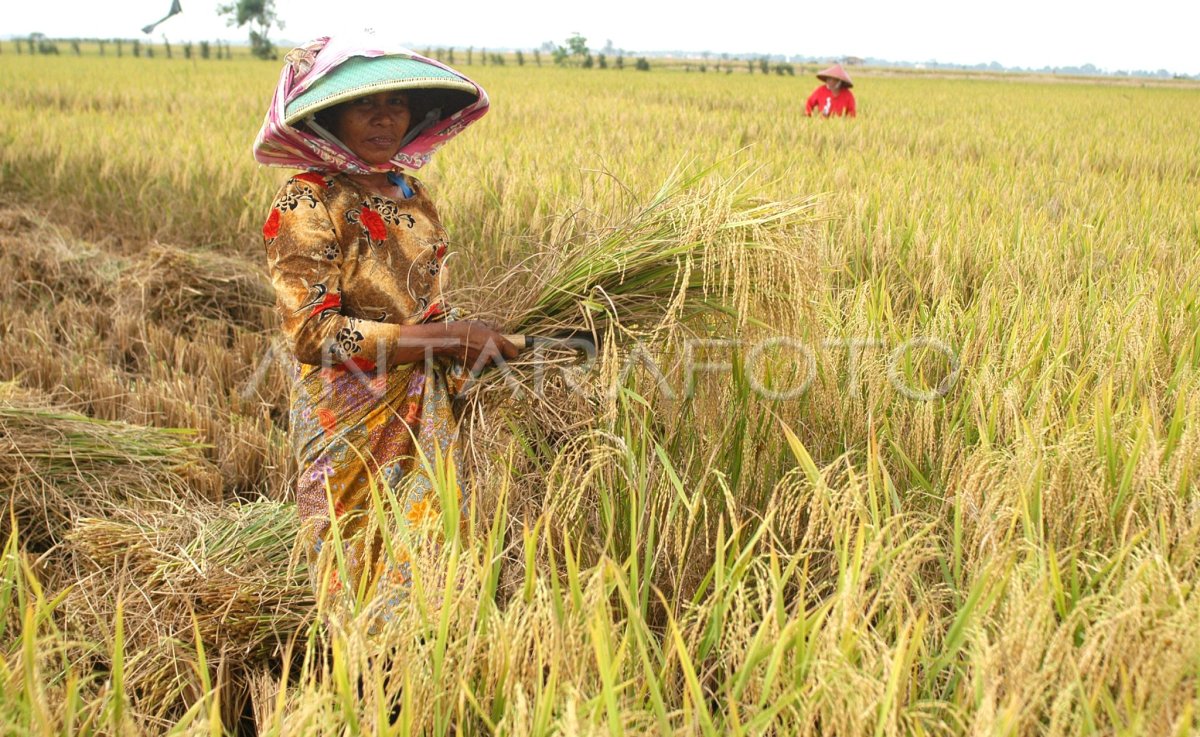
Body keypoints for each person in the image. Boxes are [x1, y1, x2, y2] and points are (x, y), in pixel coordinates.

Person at [252, 32, 518, 620]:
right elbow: (314, 336)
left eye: (396, 104)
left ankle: (431, 675)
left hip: (424, 398)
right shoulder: (305, 202)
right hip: (349, 410)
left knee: (434, 549)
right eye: (364, 104)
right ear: (328, 115)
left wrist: (469, 342)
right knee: (355, 559)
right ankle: (357, 686)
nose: (383, 118)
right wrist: (448, 339)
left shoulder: (411, 192)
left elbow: (425, 298)